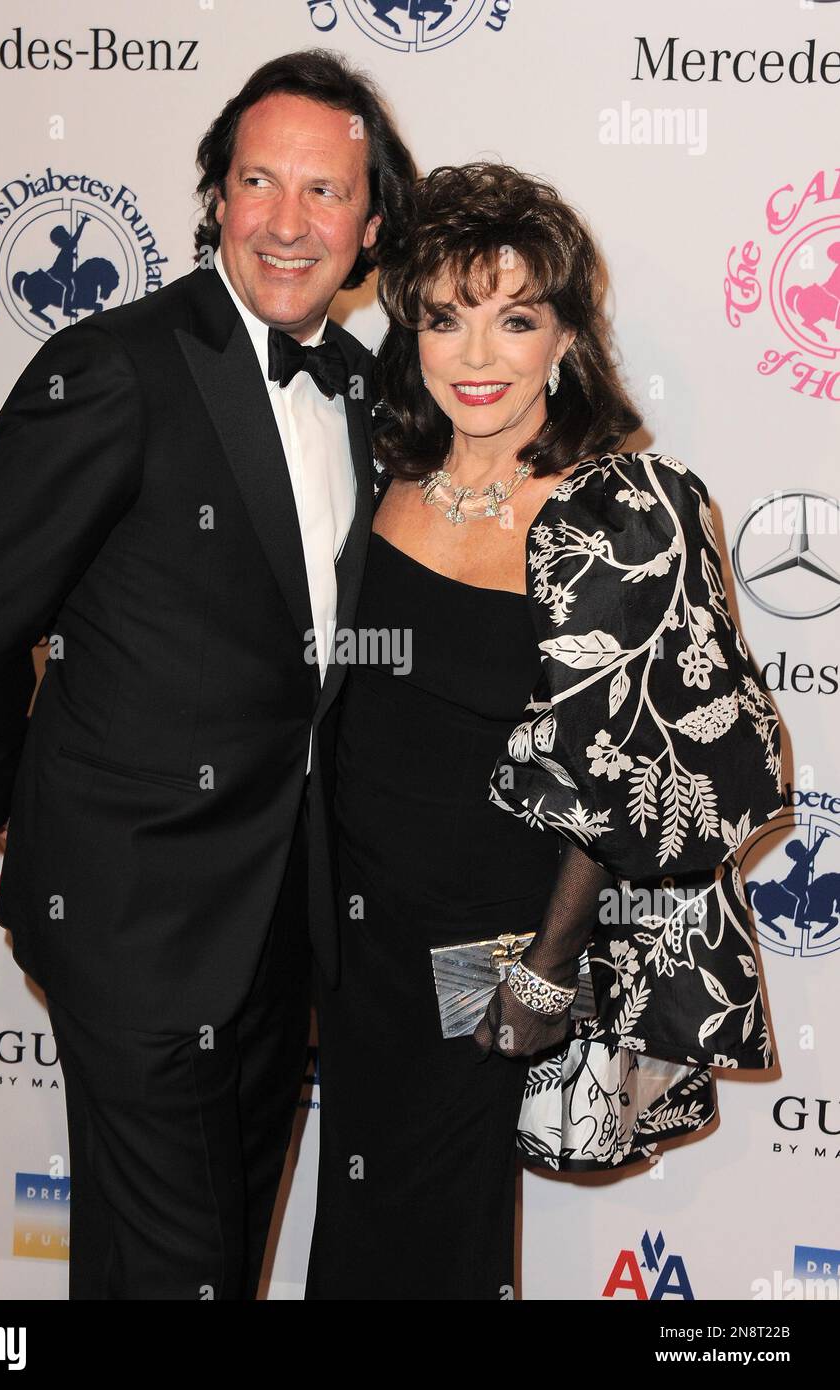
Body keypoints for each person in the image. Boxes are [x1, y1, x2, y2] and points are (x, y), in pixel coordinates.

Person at [0, 49, 416, 1300]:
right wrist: (3, 801)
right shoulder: (115, 366)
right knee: (167, 1268)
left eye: (323, 192)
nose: (286, 223)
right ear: (215, 195)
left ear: (369, 225)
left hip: (282, 924)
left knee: (210, 1260)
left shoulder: (362, 390)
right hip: (132, 918)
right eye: (257, 182)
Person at [305, 163, 784, 1300]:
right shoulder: (386, 469)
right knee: (361, 1217)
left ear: (565, 333)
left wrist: (544, 969)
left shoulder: (619, 509)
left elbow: (639, 770)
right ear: (407, 328)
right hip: (346, 921)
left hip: (484, 948)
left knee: (429, 1234)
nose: (476, 356)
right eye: (444, 318)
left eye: (513, 318)